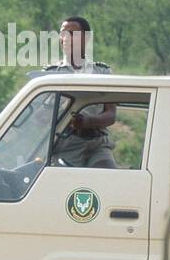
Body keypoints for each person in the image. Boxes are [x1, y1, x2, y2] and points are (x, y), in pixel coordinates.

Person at [38, 16, 118, 168]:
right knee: (65, 184)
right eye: (63, 33)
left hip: (97, 144)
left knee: (108, 178)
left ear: (86, 39)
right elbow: (39, 117)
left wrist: (88, 122)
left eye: (73, 34)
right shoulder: (50, 74)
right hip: (66, 144)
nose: (66, 38)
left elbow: (111, 115)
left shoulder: (101, 71)